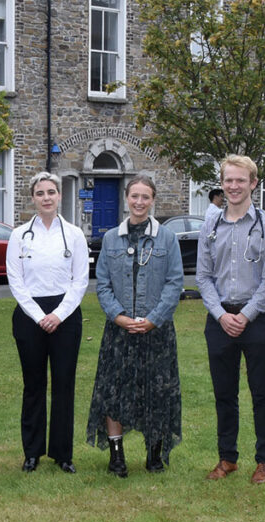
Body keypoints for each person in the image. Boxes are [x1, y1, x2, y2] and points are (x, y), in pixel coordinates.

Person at [196, 155, 265, 484]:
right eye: (228, 180)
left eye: (240, 180)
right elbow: (203, 277)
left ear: (253, 184)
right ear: (223, 183)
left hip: (256, 318)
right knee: (224, 393)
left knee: (262, 393)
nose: (233, 186)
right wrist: (221, 314)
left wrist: (244, 316)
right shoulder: (211, 225)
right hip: (219, 320)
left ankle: (264, 461)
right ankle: (227, 458)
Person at [87, 176, 183, 477]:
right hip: (119, 331)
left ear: (153, 200)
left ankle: (154, 452)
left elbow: (174, 282)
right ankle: (117, 455)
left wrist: (154, 318)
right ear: (126, 198)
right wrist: (118, 316)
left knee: (157, 391)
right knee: (113, 392)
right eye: (135, 196)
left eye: (146, 197)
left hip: (157, 330)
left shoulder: (167, 239)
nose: (139, 202)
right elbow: (102, 284)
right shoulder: (112, 238)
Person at [7, 172, 89, 473]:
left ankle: (63, 453)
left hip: (65, 315)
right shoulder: (19, 235)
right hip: (30, 316)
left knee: (64, 384)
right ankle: (32, 452)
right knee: (34, 385)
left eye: (51, 192)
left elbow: (80, 281)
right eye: (40, 193)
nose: (46, 197)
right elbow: (16, 281)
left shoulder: (74, 234)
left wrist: (59, 314)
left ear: (59, 196)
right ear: (33, 198)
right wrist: (40, 316)